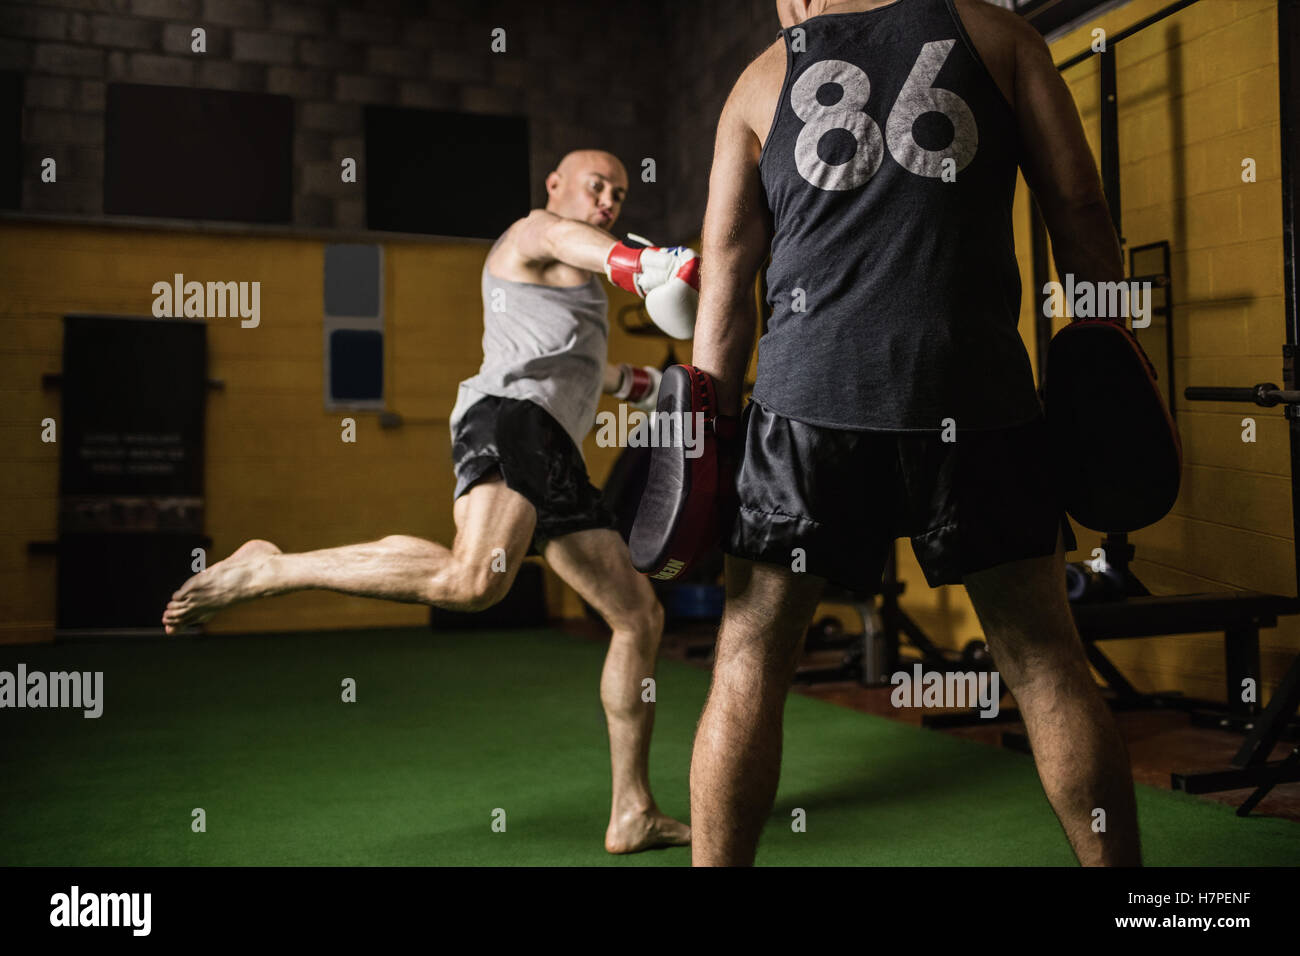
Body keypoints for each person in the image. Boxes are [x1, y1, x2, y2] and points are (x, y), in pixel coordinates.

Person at [684, 0, 1142, 865]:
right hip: (975, 394)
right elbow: (1078, 205)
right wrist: (1113, 356)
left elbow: (727, 280)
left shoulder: (756, 82)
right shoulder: (1002, 35)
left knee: (745, 659)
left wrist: (710, 435)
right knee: (1047, 666)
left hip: (804, 404)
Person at [163, 149, 695, 854]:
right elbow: (568, 241)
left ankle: (632, 811)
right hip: (514, 421)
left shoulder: (574, 292)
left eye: (620, 194)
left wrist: (644, 387)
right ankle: (268, 570)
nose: (608, 201)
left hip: (541, 437)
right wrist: (641, 264)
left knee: (635, 615)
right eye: (596, 185)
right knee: (472, 583)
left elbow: (574, 366)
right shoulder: (534, 234)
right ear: (556, 185)